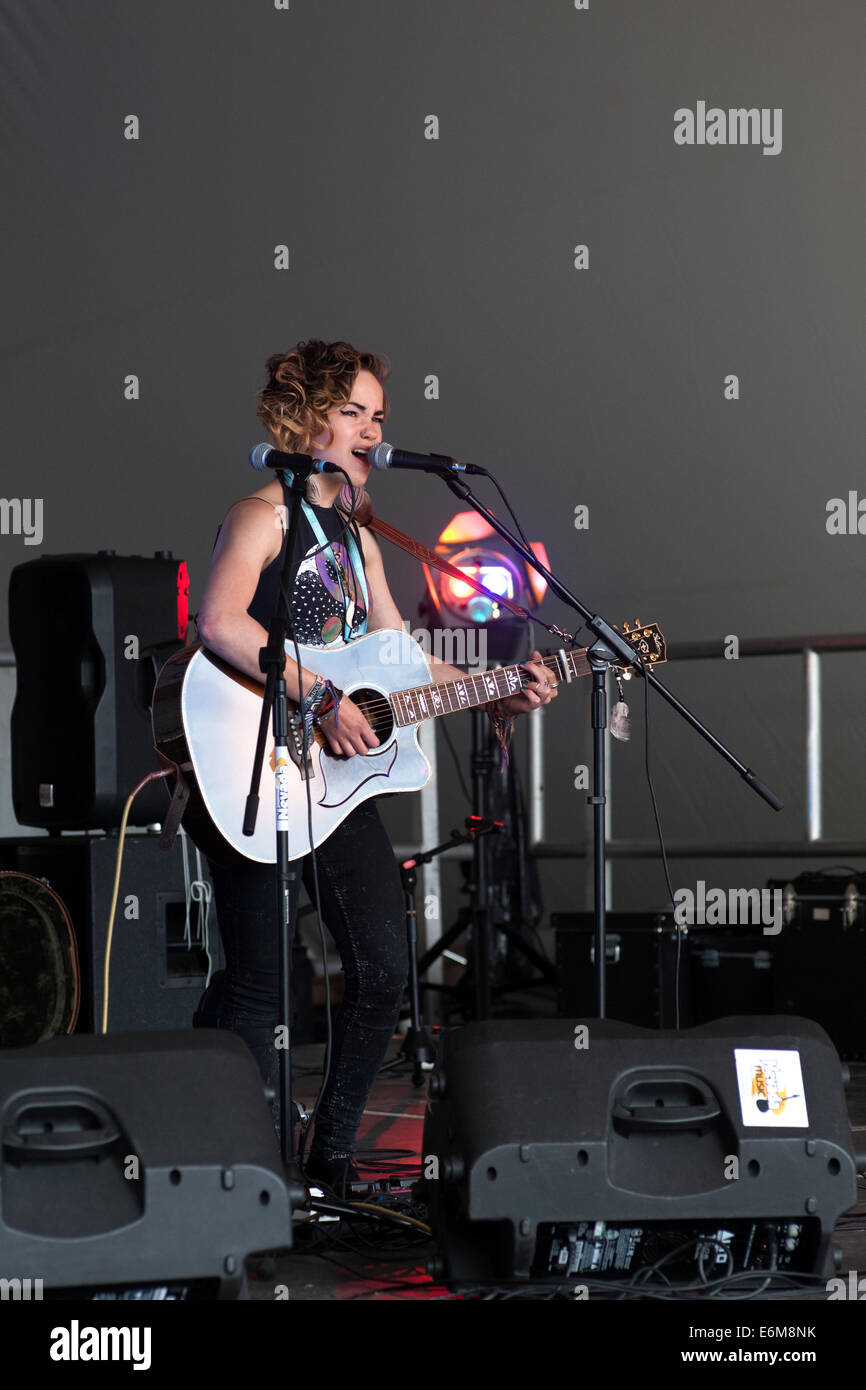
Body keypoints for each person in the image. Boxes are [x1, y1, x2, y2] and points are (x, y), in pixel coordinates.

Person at [195, 338, 557, 1192]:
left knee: (386, 968)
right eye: (352, 412)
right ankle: (226, 1174)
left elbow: (396, 656)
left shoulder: (360, 538)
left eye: (379, 416)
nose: (371, 431)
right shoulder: (262, 515)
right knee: (255, 986)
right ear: (306, 419)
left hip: (334, 783)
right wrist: (321, 699)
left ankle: (329, 1163)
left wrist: (494, 688)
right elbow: (219, 623)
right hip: (250, 759)